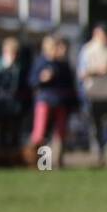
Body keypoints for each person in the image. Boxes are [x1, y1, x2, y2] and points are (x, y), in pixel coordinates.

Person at [78, 25, 107, 166]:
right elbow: (81, 74)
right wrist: (98, 71)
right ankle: (99, 155)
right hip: (94, 95)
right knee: (96, 128)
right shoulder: (87, 50)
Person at [28, 35, 77, 164]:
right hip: (44, 100)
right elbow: (32, 81)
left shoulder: (63, 65)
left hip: (60, 102)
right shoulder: (40, 62)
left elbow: (70, 86)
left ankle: (56, 161)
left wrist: (73, 103)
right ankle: (40, 162)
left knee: (60, 133)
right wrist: (41, 79)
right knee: (40, 132)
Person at [0, 36, 27, 153]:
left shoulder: (19, 67)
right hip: (0, 104)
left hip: (15, 105)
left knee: (15, 131)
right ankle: (2, 155)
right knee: (2, 131)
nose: (14, 56)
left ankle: (13, 156)